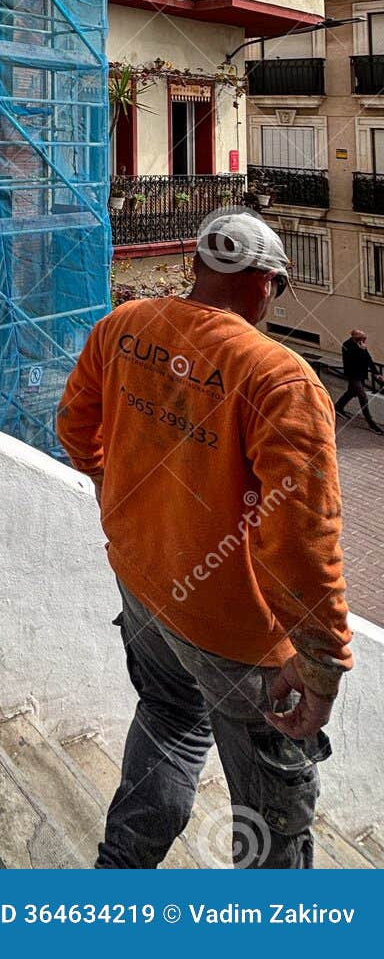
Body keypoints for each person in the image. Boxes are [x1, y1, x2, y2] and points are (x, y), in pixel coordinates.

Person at [58, 211, 351, 870]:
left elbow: (76, 427)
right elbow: (302, 540)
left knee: (168, 727)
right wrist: (321, 665)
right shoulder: (281, 379)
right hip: (237, 638)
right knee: (274, 810)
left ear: (198, 269)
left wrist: (116, 491)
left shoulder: (125, 325)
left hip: (142, 584)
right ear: (267, 284)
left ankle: (119, 874)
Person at [337, 329, 384, 434]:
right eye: (363, 338)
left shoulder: (360, 345)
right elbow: (353, 360)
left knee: (351, 392)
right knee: (363, 397)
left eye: (364, 338)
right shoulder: (347, 346)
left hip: (361, 375)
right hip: (353, 376)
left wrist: (376, 373)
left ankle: (338, 407)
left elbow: (368, 359)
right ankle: (372, 424)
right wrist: (361, 350)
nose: (364, 340)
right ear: (356, 338)